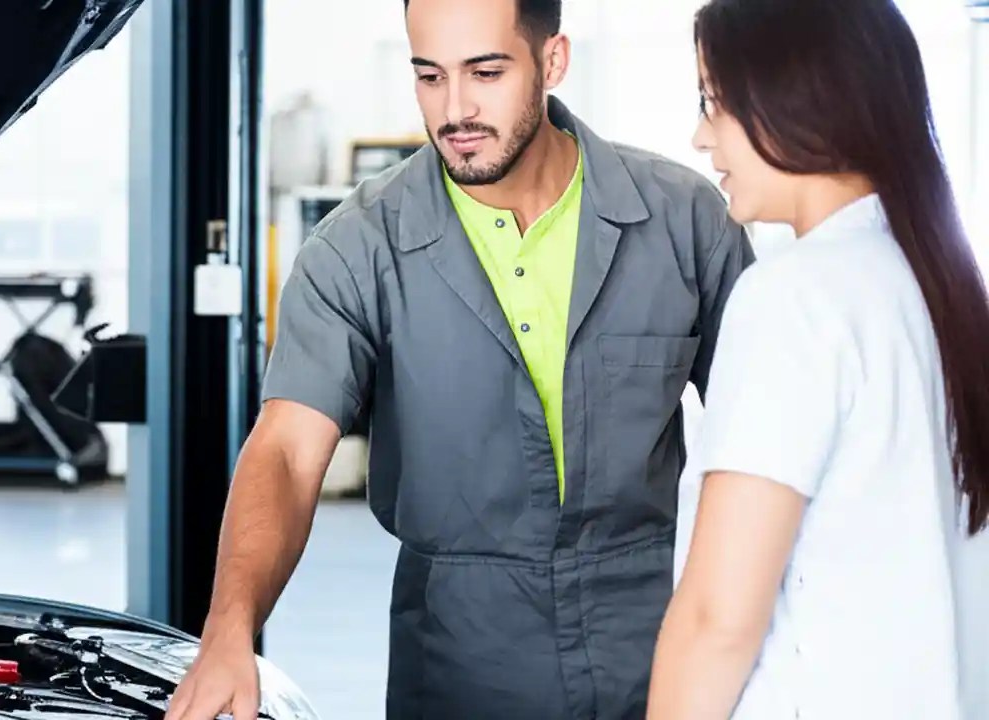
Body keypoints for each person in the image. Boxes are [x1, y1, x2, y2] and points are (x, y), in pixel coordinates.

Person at [167, 0, 753, 718]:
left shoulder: (685, 222)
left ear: (553, 61)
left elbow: (770, 443)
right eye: (429, 77)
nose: (454, 110)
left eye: (485, 72)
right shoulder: (356, 249)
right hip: (457, 669)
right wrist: (230, 625)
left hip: (660, 662)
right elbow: (288, 449)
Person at [647, 1, 989, 718]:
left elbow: (718, 619)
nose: (701, 136)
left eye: (712, 101)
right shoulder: (936, 284)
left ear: (793, 93)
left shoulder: (795, 297)